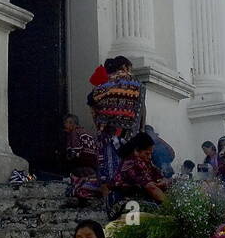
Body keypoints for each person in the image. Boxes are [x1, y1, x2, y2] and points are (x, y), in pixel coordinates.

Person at [88, 57, 145, 194]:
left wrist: (100, 122)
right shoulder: (136, 83)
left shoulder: (103, 84)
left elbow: (91, 101)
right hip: (129, 134)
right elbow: (141, 109)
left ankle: (109, 200)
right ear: (125, 67)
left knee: (108, 171)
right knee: (127, 169)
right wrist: (140, 129)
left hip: (107, 133)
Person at [115, 131, 170, 204]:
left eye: (151, 154)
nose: (150, 157)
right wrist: (170, 207)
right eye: (147, 153)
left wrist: (163, 181)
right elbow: (151, 188)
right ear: (136, 151)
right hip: (122, 203)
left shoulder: (145, 162)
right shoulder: (132, 163)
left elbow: (158, 176)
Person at [62, 115, 102, 201]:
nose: (64, 125)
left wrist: (68, 158)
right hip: (93, 166)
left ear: (72, 123)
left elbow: (75, 151)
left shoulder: (74, 133)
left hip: (82, 164)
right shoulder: (88, 133)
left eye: (66, 123)